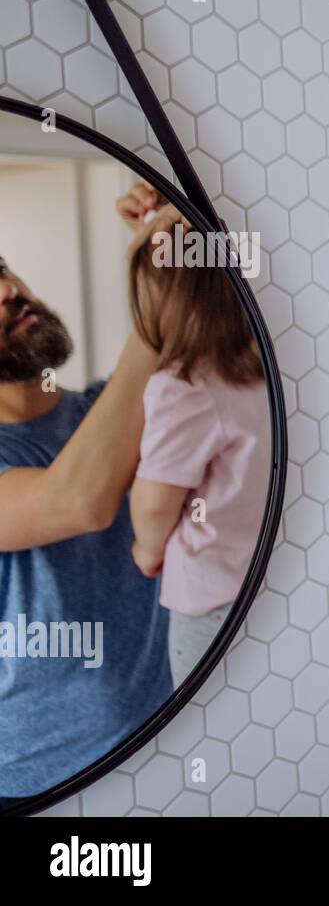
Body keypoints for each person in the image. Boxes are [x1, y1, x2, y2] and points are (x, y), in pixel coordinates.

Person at [0, 189, 171, 799]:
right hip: (40, 791)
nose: (7, 291)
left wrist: (160, 255)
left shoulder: (106, 411)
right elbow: (80, 500)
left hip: (173, 742)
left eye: (1, 270)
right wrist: (158, 309)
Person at [125, 204, 270, 688]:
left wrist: (147, 548)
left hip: (207, 601)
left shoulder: (182, 387)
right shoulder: (261, 369)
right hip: (266, 580)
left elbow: (153, 504)